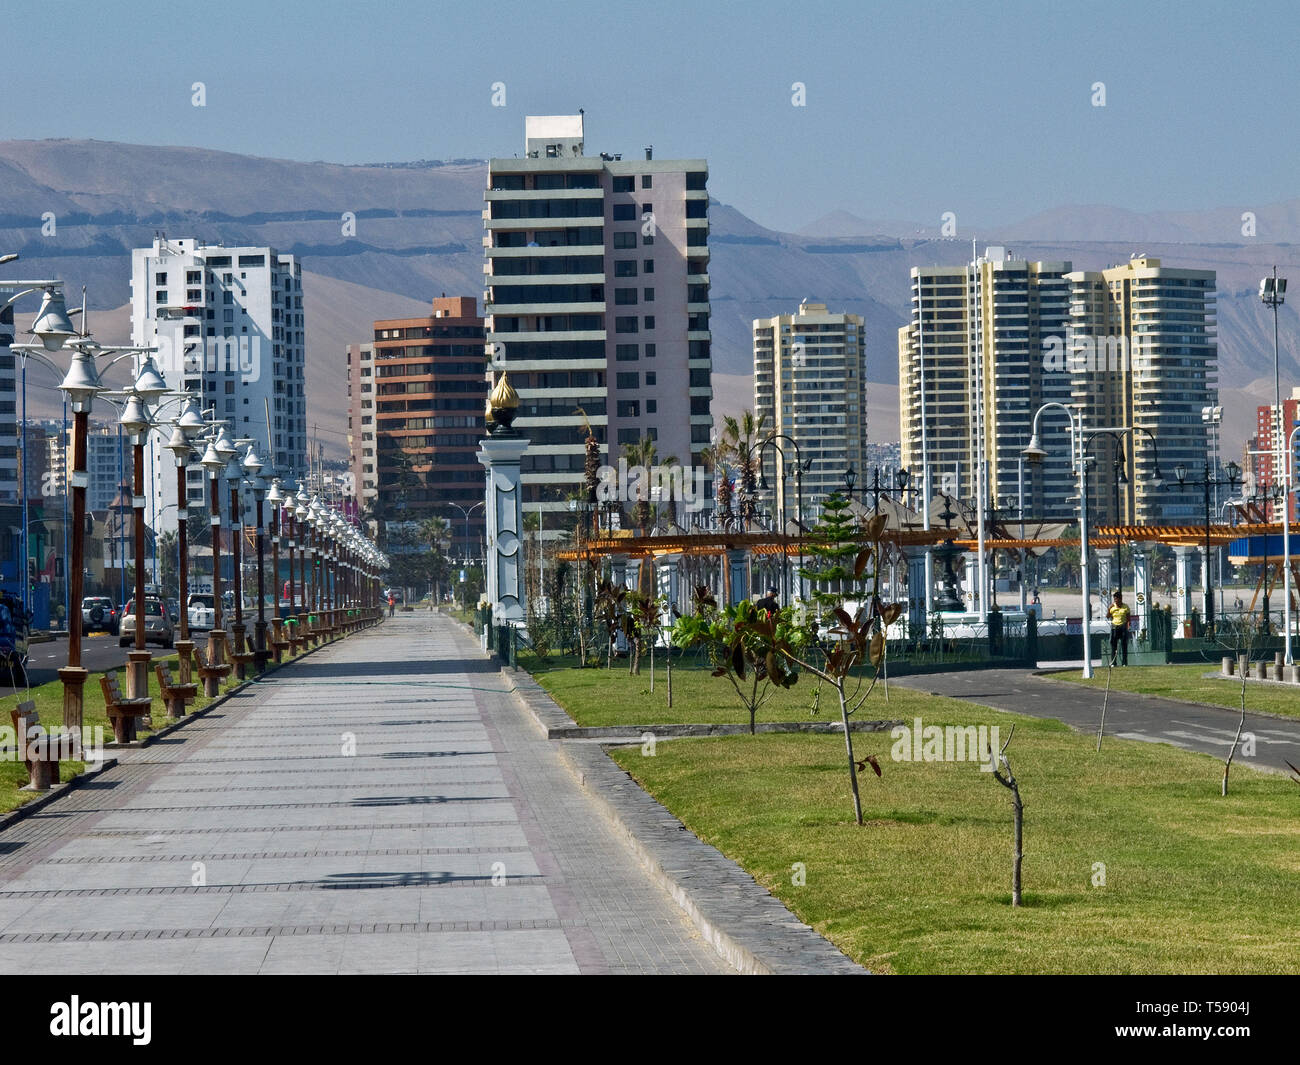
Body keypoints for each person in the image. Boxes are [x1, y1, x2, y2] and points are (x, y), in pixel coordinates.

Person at [1107, 590, 1131, 667]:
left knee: (1124, 645)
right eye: (1114, 599)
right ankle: (1113, 662)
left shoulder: (1125, 607)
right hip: (1114, 626)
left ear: (1120, 599)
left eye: (1116, 599)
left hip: (1123, 626)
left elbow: (1128, 619)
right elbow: (1107, 616)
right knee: (1114, 645)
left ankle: (1124, 662)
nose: (1115, 601)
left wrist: (1128, 627)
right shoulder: (1112, 607)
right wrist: (1108, 609)